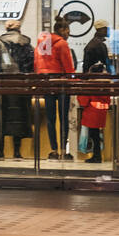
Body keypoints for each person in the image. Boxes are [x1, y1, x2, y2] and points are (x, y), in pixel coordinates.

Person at [0, 19, 35, 159]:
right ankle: (17, 152)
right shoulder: (27, 43)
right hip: (21, 86)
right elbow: (31, 65)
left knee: (1, 118)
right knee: (20, 118)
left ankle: (1, 151)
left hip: (3, 86)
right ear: (19, 29)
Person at [34, 17, 76, 160]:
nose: (68, 33)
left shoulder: (42, 43)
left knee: (50, 118)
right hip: (61, 83)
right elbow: (69, 67)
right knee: (63, 117)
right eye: (67, 30)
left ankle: (53, 150)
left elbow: (37, 62)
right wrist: (73, 79)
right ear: (61, 30)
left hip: (47, 83)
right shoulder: (62, 44)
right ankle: (64, 151)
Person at [77, 62, 111, 163]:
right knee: (96, 136)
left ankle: (97, 156)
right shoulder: (106, 85)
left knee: (94, 136)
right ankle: (97, 155)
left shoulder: (91, 85)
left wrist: (79, 94)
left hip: (91, 113)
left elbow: (83, 101)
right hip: (101, 113)